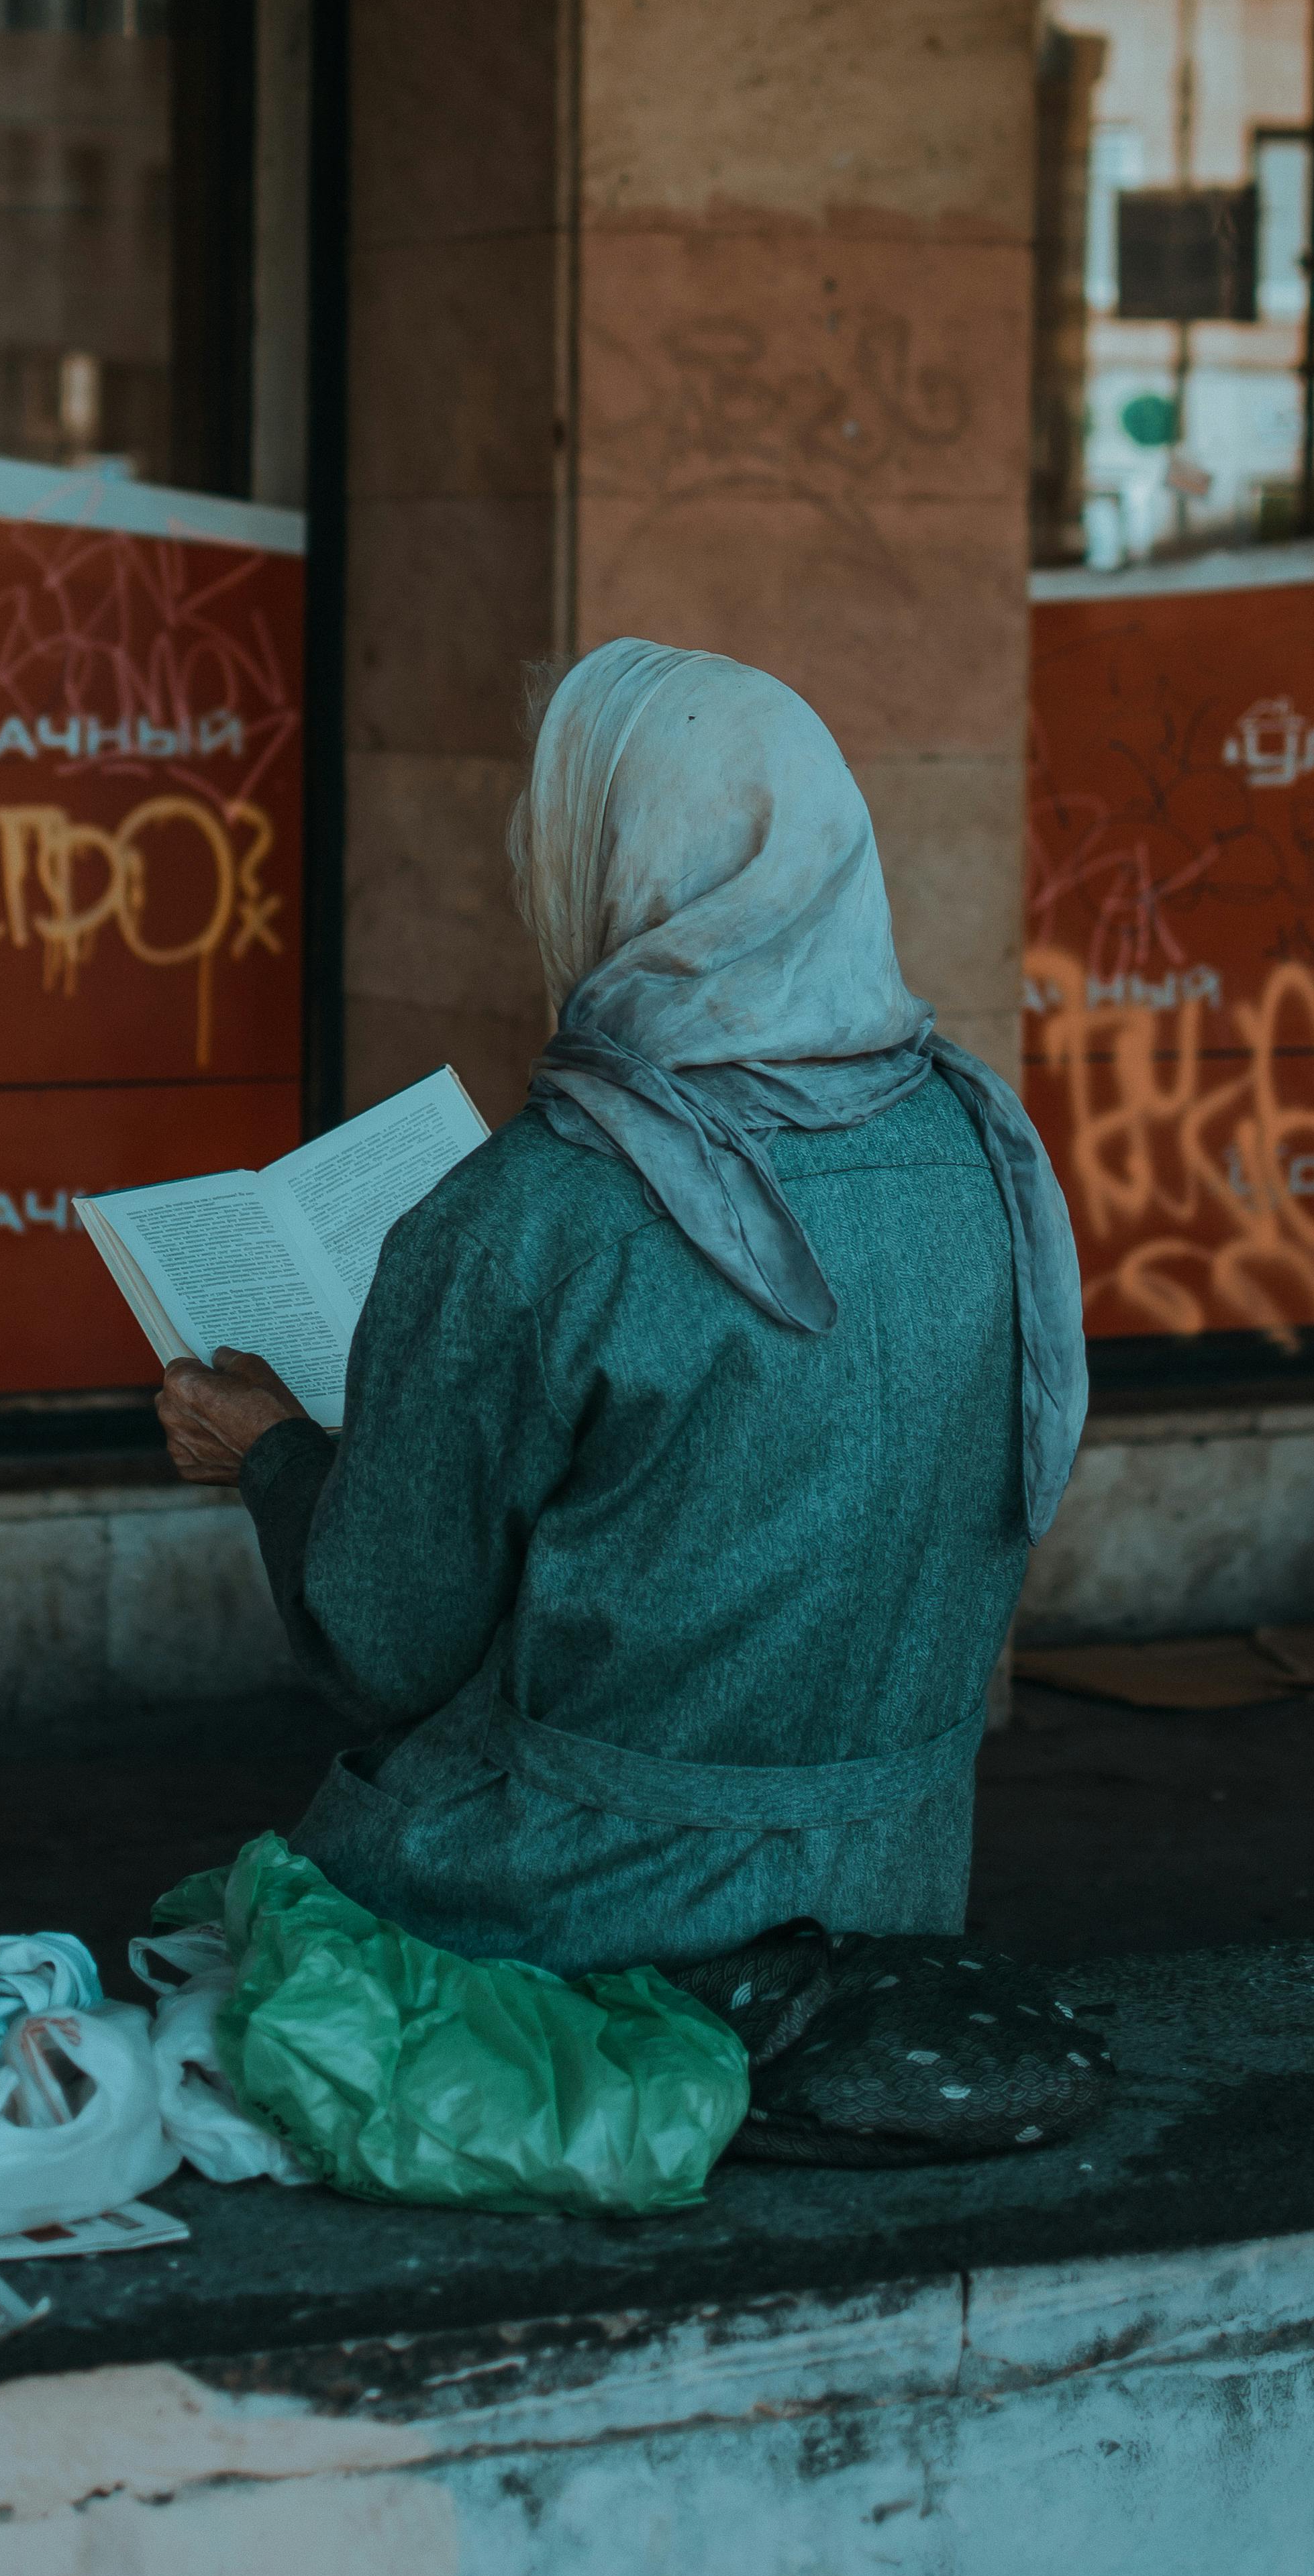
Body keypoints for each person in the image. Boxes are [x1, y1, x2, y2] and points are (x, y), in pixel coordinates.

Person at [156, 638, 1086, 1979]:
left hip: (574, 1907)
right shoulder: (983, 1149)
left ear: (598, 873)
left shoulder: (533, 1213)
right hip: (893, 1881)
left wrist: (272, 1452)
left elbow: (385, 1646)